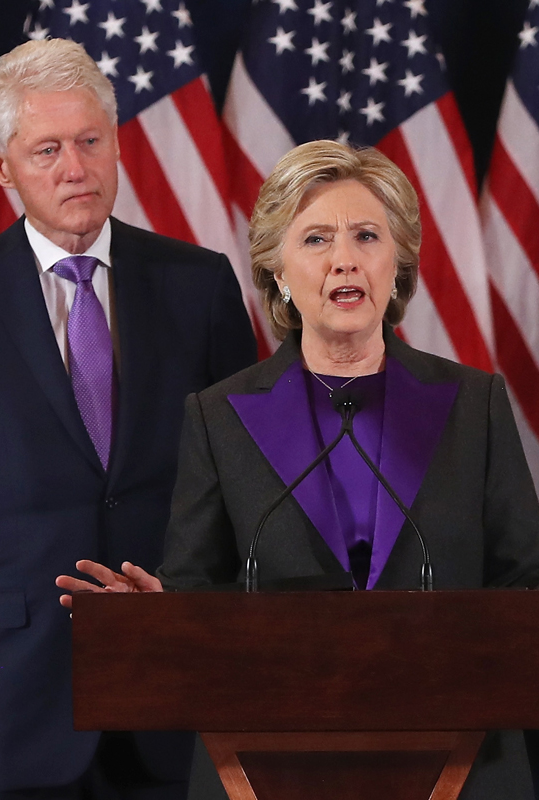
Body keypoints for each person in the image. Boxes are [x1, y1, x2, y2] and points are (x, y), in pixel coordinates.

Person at [58, 140, 539, 798]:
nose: (344, 258)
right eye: (315, 238)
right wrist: (166, 617)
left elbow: (525, 583)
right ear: (279, 273)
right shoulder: (220, 415)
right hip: (264, 767)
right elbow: (199, 579)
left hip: (461, 764)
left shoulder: (473, 405)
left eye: (366, 235)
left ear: (396, 263)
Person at [0, 38, 258, 800]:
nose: (75, 168)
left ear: (116, 143)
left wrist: (194, 619)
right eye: (47, 149)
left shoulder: (200, 285)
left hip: (171, 698)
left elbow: (244, 490)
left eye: (90, 141)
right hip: (5, 703)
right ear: (2, 165)